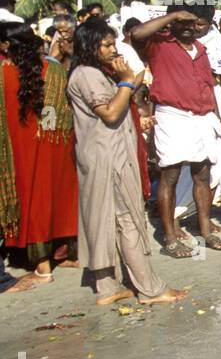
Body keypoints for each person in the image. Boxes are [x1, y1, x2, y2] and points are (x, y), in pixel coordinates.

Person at [66, 19, 186, 306]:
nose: (112, 50)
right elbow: (109, 113)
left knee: (105, 219)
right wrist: (125, 82)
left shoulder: (89, 73)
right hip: (109, 158)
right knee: (127, 219)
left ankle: (107, 287)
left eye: (113, 44)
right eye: (106, 45)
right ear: (90, 46)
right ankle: (150, 288)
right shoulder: (88, 75)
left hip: (101, 154)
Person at [130, 6, 221, 257]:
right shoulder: (159, 44)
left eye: (194, 23)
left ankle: (206, 230)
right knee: (170, 176)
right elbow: (137, 34)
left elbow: (208, 85)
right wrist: (174, 16)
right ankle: (170, 238)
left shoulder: (202, 50)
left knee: (203, 174)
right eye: (183, 22)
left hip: (203, 117)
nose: (189, 27)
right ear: (173, 22)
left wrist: (219, 116)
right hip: (172, 116)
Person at [1, 23, 79, 289]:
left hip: (20, 147)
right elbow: (60, 113)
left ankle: (43, 267)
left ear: (6, 46)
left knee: (32, 198)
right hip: (55, 143)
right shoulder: (54, 68)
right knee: (60, 197)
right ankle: (67, 254)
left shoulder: (4, 73)